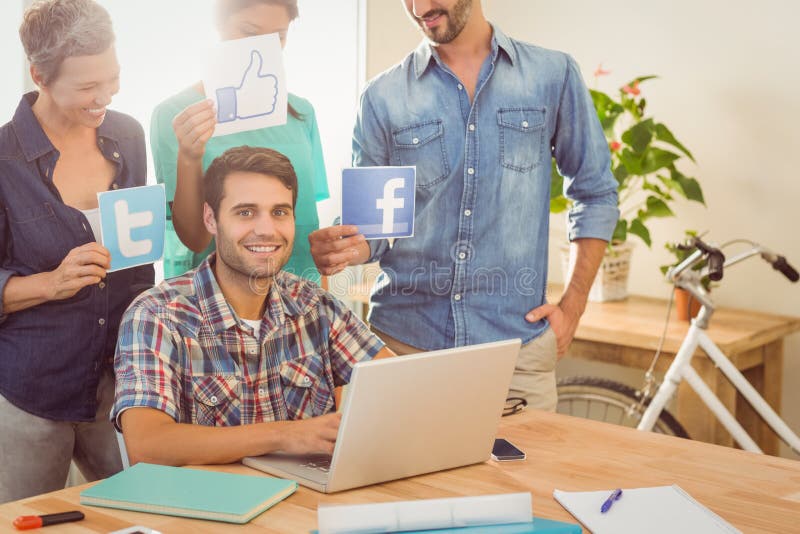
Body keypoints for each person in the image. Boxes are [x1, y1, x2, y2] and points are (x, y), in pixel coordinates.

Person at [309, 0, 619, 412]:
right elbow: (375, 230)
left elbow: (595, 192)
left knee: (526, 460)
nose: (419, 7)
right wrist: (344, 246)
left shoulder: (552, 75)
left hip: (516, 356)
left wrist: (573, 305)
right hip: (401, 350)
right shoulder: (382, 97)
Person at [113, 147, 390, 466]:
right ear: (210, 218)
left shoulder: (316, 305)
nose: (266, 230)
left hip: (306, 494)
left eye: (280, 212)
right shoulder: (156, 314)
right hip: (206, 498)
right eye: (245, 212)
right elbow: (147, 445)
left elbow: (402, 385)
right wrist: (284, 435)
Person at [0, 0, 153, 502]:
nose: (104, 96)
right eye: (88, 86)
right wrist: (51, 283)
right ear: (39, 76)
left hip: (120, 382)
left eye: (113, 78)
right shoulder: (4, 160)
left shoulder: (127, 135)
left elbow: (138, 254)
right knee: (23, 525)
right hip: (32, 391)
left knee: (144, 513)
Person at [150, 0, 328, 281]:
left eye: (278, 37)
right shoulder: (177, 116)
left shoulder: (302, 113)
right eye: (249, 32)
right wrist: (190, 156)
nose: (263, 47)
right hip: (216, 295)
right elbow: (195, 239)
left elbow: (306, 223)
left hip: (297, 293)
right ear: (218, 25)